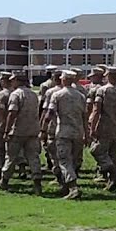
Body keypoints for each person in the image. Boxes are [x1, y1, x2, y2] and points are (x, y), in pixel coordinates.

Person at [44, 70, 86, 199]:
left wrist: (43, 129)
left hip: (63, 132)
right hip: (78, 132)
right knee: (73, 160)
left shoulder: (57, 95)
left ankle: (73, 188)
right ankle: (66, 186)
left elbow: (49, 113)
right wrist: (87, 133)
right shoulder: (80, 96)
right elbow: (85, 116)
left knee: (64, 160)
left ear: (63, 80)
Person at [1, 72, 43, 194]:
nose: (11, 82)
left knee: (11, 157)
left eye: (13, 80)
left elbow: (12, 113)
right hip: (33, 130)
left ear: (18, 81)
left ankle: (4, 182)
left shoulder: (16, 94)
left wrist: (6, 130)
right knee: (33, 157)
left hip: (17, 131)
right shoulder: (33, 95)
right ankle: (37, 183)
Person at [88, 67, 116, 192]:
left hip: (105, 126)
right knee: (114, 155)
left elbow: (97, 110)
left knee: (96, 151)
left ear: (108, 76)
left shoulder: (102, 91)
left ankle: (113, 172)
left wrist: (92, 127)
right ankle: (112, 182)